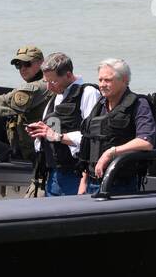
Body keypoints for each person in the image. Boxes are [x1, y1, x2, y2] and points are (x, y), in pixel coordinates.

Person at [25, 52, 101, 196]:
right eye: (45, 81)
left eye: (53, 82)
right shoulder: (54, 99)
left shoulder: (88, 93)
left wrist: (57, 136)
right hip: (53, 175)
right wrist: (39, 133)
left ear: (68, 75)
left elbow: (92, 137)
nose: (48, 87)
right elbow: (51, 134)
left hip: (76, 175)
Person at [78, 59, 156, 196]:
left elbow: (146, 141)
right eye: (100, 80)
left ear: (124, 80)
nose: (102, 85)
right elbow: (89, 142)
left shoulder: (138, 104)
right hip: (92, 182)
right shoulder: (99, 105)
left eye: (108, 80)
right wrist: (83, 182)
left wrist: (111, 152)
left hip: (121, 184)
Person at [0, 46, 52, 162]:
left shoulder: (36, 87)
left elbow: (3, 103)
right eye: (18, 65)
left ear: (41, 63)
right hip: (33, 150)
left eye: (27, 64)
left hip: (33, 155)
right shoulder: (47, 83)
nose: (22, 69)